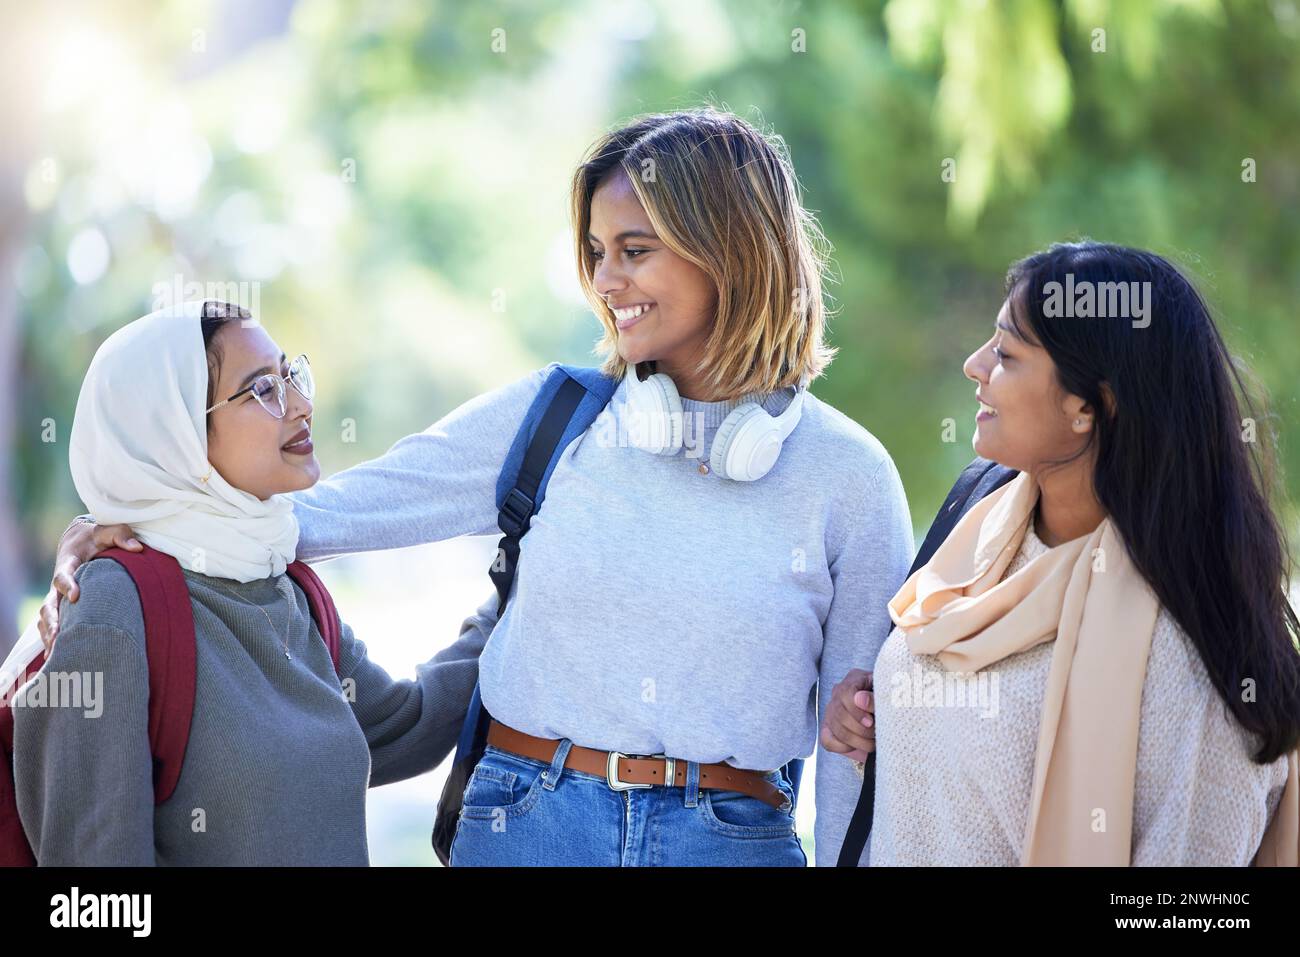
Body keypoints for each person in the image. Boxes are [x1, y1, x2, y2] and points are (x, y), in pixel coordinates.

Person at [41, 108, 915, 866]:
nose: (607, 284)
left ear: (730, 249)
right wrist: (137, 522)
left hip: (730, 839)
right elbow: (328, 510)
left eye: (635, 251)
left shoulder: (849, 477)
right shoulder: (556, 417)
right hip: (528, 825)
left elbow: (859, 743)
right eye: (598, 253)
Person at [822, 242, 1300, 865]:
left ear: (1090, 406)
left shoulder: (1195, 654)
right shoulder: (979, 516)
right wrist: (876, 713)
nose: (974, 366)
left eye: (1006, 354)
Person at [13, 300, 482, 865]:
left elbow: (405, 729)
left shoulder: (288, 587)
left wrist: (523, 589)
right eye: (261, 389)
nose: (302, 405)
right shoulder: (115, 605)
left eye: (289, 376)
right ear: (175, 431)